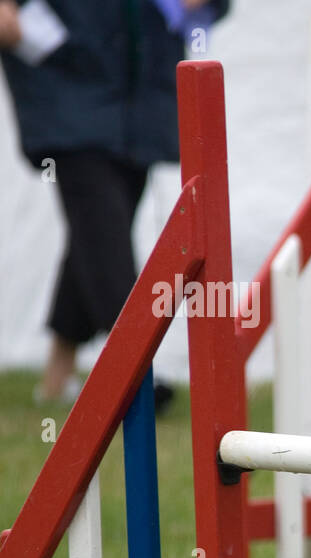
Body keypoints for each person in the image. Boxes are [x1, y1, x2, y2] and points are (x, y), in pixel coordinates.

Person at [0, 0, 229, 409]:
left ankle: (57, 377)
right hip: (68, 84)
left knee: (98, 234)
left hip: (140, 97)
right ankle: (138, 372)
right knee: (104, 235)